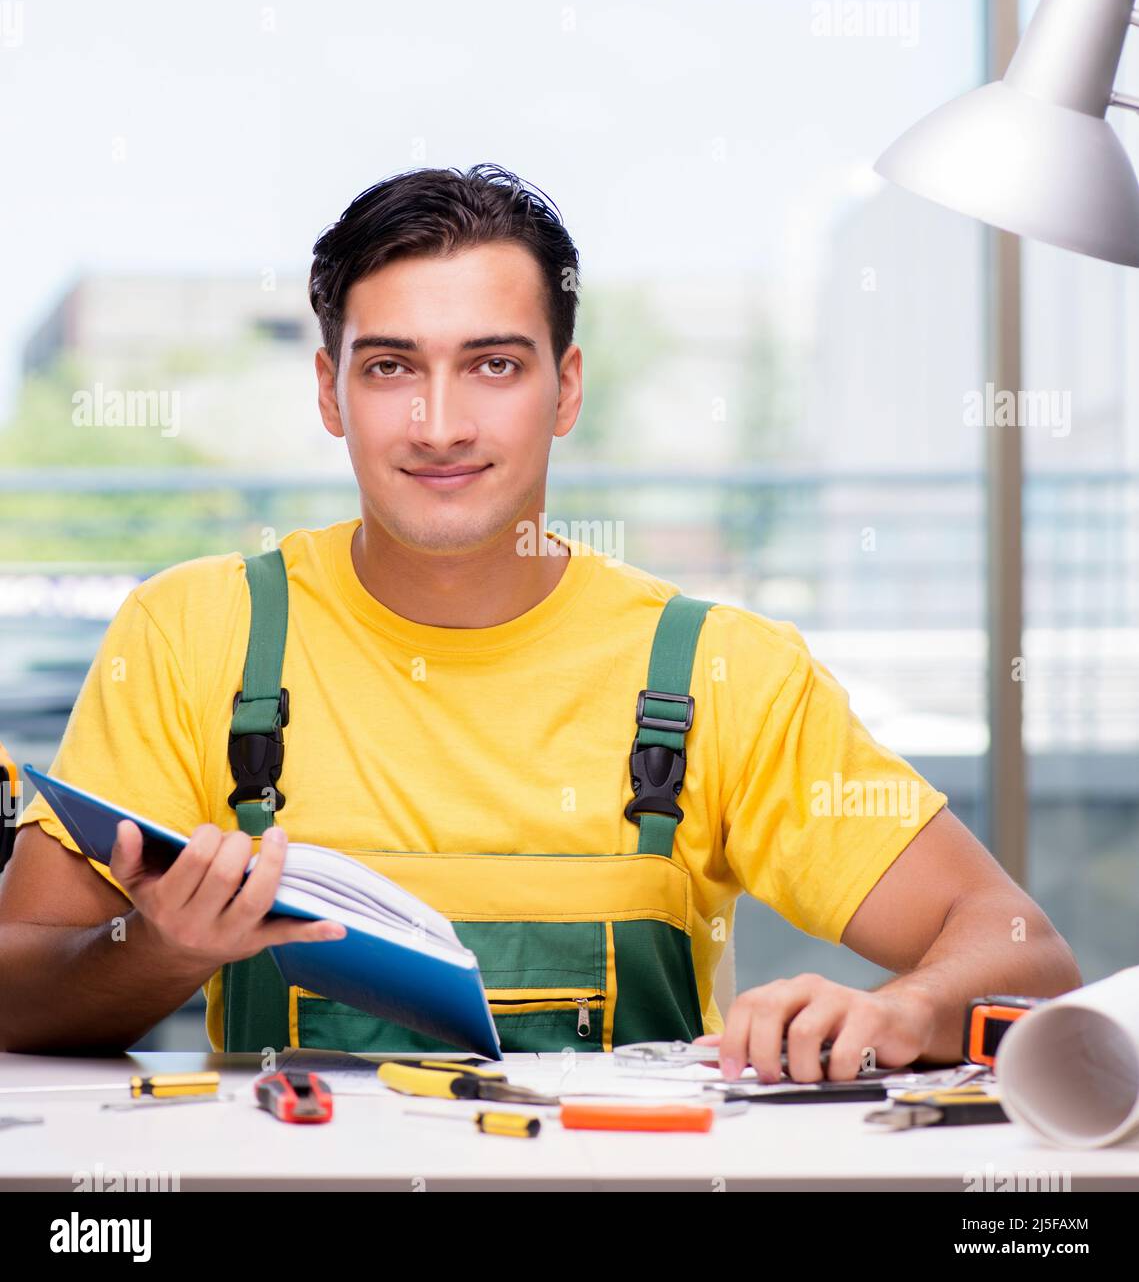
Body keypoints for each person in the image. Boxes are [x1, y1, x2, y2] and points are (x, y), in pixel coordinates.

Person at [0, 164, 1080, 1080]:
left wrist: (903, 1011)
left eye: (492, 364)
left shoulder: (717, 671)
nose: (439, 424)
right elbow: (17, 986)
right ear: (329, 393)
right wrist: (153, 947)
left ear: (563, 390)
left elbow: (1024, 951)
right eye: (390, 367)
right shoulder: (194, 635)